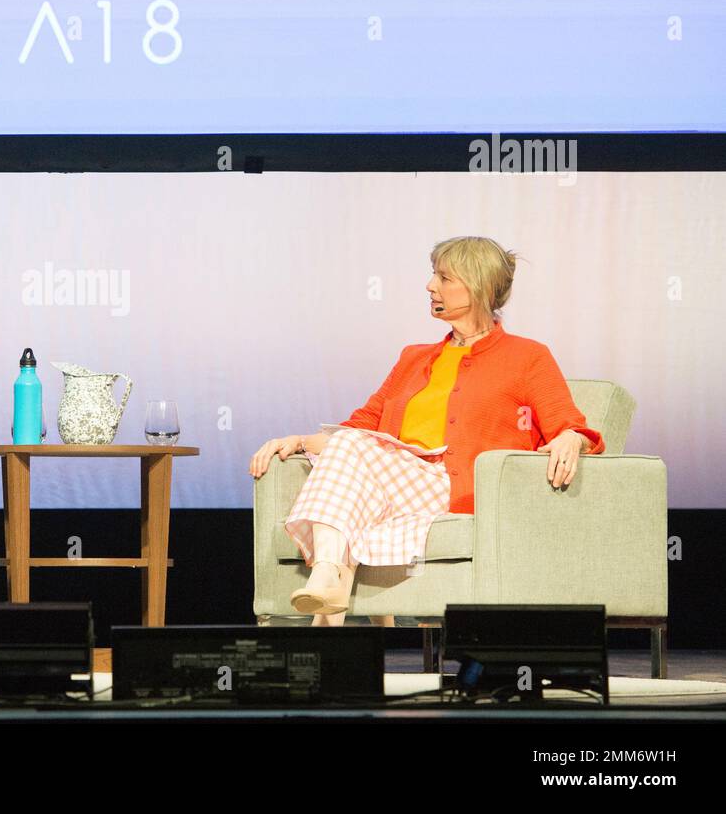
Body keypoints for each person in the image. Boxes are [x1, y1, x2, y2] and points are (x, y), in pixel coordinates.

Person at [249, 236, 605, 627]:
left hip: (455, 486)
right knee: (350, 450)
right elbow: (360, 427)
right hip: (395, 480)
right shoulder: (414, 357)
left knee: (351, 458)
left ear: (478, 286)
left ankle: (330, 588)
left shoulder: (527, 356)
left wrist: (571, 437)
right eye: (433, 275)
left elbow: (573, 426)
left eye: (444, 277)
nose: (430, 286)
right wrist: (298, 442)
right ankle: (331, 600)